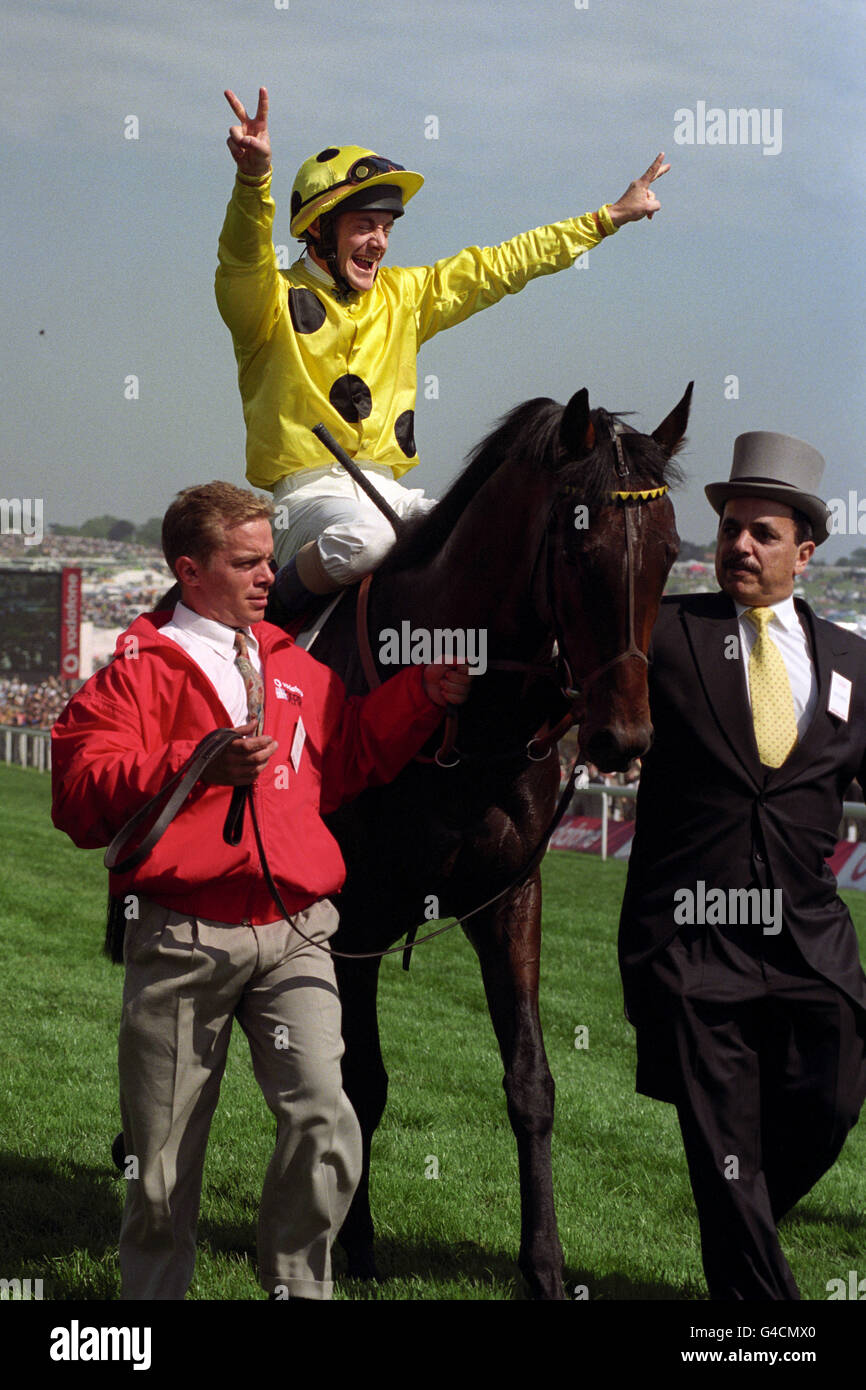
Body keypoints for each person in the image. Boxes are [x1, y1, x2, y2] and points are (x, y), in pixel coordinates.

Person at [50, 481, 470, 1301]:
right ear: (190, 569)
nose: (267, 576)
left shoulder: (290, 662)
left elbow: (344, 760)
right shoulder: (138, 669)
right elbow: (78, 793)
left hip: (298, 929)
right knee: (162, 1162)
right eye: (245, 562)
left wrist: (419, 694)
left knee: (326, 1120)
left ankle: (296, 1290)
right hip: (184, 936)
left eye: (268, 560)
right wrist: (195, 761)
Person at [215, 85, 670, 612]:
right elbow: (243, 257)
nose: (379, 242)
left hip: (391, 490)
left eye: (385, 228)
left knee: (490, 532)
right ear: (318, 229)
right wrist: (253, 182)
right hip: (309, 501)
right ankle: (264, 629)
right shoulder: (267, 301)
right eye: (364, 226)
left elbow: (502, 265)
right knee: (370, 540)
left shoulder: (406, 296)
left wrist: (608, 217)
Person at [618, 432, 866, 1300]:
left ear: (805, 551)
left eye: (761, 533)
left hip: (811, 946)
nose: (739, 546)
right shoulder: (664, 636)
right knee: (724, 1155)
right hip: (694, 945)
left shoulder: (851, 662)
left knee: (831, 1106)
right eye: (729, 529)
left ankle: (741, 1222)